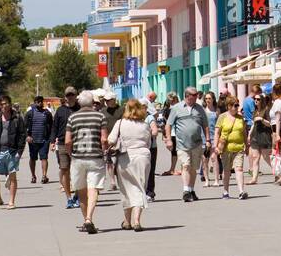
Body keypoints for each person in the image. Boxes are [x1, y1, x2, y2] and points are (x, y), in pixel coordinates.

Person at [108, 97, 156, 231]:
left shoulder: (120, 122)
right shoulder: (145, 125)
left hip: (125, 157)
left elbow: (111, 139)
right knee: (140, 187)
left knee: (126, 189)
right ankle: (136, 221)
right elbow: (148, 142)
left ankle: (127, 221)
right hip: (143, 157)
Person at [65, 89, 109, 235]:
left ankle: (86, 219)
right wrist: (104, 151)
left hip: (78, 158)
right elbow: (103, 139)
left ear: (79, 102)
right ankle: (89, 218)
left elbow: (68, 141)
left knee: (81, 191)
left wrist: (71, 153)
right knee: (93, 188)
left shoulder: (72, 117)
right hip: (95, 157)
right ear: (92, 102)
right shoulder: (100, 116)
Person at [165, 86, 210, 202]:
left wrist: (208, 140)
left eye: (196, 95)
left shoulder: (199, 109)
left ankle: (191, 190)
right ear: (187, 96)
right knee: (186, 165)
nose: (196, 97)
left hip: (197, 144)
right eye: (194, 95)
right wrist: (169, 139)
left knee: (193, 168)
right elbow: (168, 125)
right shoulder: (176, 108)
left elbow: (205, 125)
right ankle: (186, 191)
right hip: (182, 144)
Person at [0, 94, 27, 210]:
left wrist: (19, 151)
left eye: (5, 103)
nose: (3, 106)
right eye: (1, 104)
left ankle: (11, 201)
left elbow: (22, 135)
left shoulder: (17, 118)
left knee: (12, 176)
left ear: (10, 104)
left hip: (12, 151)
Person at [51, 88, 80, 207]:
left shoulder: (80, 109)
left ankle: (77, 196)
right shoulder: (60, 111)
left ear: (76, 95)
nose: (70, 97)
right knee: (64, 170)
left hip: (78, 143)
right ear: (65, 96)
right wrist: (52, 141)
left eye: (72, 94)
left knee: (78, 171)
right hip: (63, 143)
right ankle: (69, 198)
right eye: (68, 95)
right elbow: (55, 127)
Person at [215, 97, 248, 199]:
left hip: (239, 147)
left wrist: (246, 145)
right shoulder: (222, 117)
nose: (236, 108)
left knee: (239, 169)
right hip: (226, 148)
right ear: (228, 106)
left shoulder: (240, 118)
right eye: (234, 105)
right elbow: (217, 132)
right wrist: (215, 146)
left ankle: (241, 191)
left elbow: (244, 132)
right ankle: (225, 191)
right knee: (227, 170)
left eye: (237, 105)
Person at [24, 95, 53, 184]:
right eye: (37, 101)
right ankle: (33, 176)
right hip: (33, 141)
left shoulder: (47, 113)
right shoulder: (30, 113)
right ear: (35, 102)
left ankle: (44, 176)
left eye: (41, 101)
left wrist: (51, 139)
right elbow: (24, 127)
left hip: (44, 140)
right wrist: (27, 136)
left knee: (44, 158)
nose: (39, 103)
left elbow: (52, 126)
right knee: (32, 158)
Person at [247, 92, 274, 184]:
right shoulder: (255, 111)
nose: (256, 101)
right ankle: (254, 178)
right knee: (255, 158)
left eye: (258, 99)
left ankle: (277, 173)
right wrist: (249, 134)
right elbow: (253, 124)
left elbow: (270, 124)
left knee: (266, 157)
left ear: (262, 101)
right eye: (255, 99)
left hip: (264, 136)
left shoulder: (266, 110)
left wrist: (262, 119)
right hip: (255, 135)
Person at [200, 91, 220, 187]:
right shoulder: (202, 110)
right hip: (203, 138)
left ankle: (216, 180)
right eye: (206, 98)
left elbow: (219, 124)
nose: (208, 100)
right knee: (204, 160)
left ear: (213, 99)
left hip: (214, 137)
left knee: (214, 158)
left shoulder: (216, 110)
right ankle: (207, 180)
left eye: (209, 98)